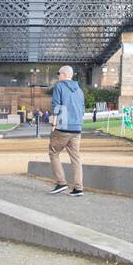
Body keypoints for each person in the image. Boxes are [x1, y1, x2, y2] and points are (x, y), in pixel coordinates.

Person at [47, 65, 85, 196]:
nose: (58, 76)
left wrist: (54, 122)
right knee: (76, 158)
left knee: (53, 152)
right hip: (77, 128)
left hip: (63, 127)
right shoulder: (79, 90)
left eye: (59, 74)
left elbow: (56, 105)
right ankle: (78, 188)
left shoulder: (59, 86)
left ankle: (61, 182)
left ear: (63, 74)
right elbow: (82, 109)